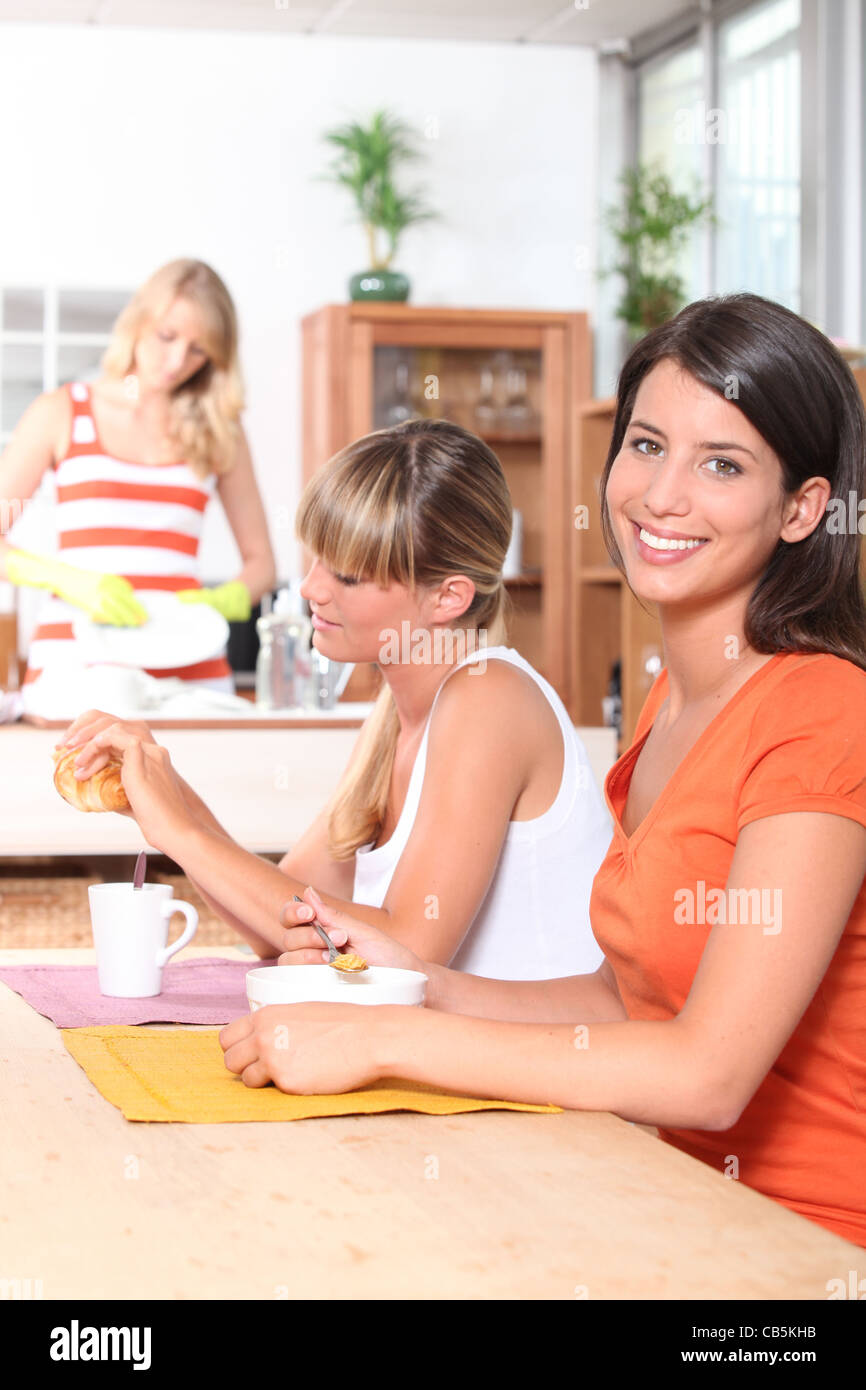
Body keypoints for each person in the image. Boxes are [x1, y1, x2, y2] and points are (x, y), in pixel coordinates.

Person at [221, 293, 866, 1249]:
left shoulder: (824, 712)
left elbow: (707, 1076)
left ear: (805, 507)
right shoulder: (670, 707)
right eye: (645, 446)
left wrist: (386, 1039)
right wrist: (402, 984)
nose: (662, 495)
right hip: (655, 1192)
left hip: (802, 1247)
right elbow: (618, 1000)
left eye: (721, 464)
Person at [60, 418, 612, 978]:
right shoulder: (395, 719)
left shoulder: (489, 699)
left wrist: (175, 830)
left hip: (523, 1060)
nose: (310, 589)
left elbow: (409, 954)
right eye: (317, 558)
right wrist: (162, 790)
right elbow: (273, 923)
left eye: (347, 576)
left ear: (448, 596)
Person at [0, 258, 276, 693]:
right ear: (137, 322)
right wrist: (65, 579)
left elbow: (262, 564)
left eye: (199, 349)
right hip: (77, 661)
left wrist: (222, 600)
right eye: (167, 336)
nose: (177, 361)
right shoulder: (62, 411)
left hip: (189, 661)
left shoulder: (219, 428)